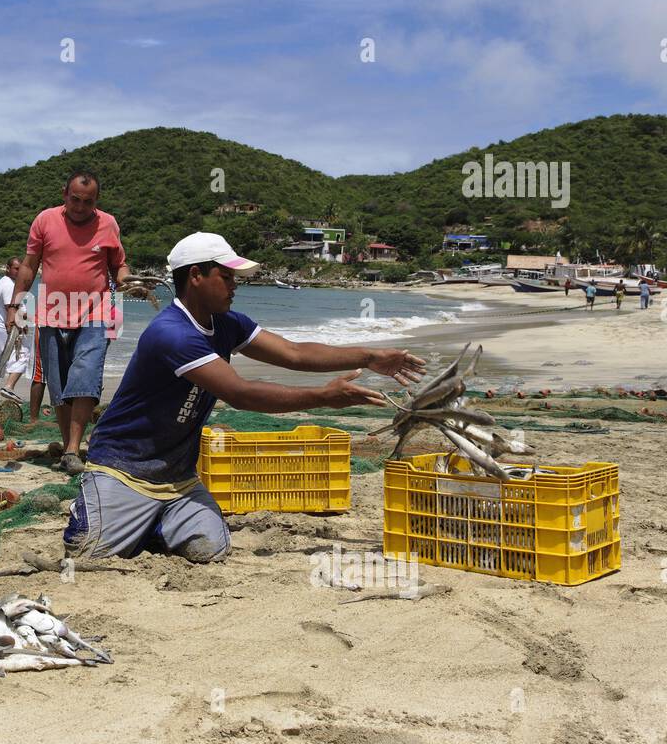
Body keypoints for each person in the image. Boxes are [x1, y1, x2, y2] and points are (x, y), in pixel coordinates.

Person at [63, 233, 426, 564]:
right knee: (86, 551)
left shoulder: (227, 323)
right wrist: (324, 397)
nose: (235, 285)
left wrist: (369, 357)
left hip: (178, 479)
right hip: (123, 468)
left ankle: (154, 524)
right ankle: (120, 512)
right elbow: (239, 393)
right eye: (227, 276)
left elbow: (294, 353)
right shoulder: (171, 333)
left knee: (211, 549)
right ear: (195, 277)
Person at [5, 170, 129, 473]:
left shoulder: (108, 224)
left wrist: (127, 282)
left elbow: (119, 266)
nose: (80, 206)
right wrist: (15, 305)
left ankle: (74, 447)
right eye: (75, 199)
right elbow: (30, 265)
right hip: (51, 314)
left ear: (96, 200)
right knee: (59, 387)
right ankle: (68, 447)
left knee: (84, 378)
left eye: (87, 201)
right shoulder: (44, 220)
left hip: (95, 314)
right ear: (65, 194)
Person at [0, 257, 28, 402]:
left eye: (21, 269)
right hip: (7, 328)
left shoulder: (3, 282)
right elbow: (9, 307)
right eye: (16, 268)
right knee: (23, 354)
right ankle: (9, 387)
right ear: (7, 268)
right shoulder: (9, 285)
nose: (19, 272)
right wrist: (23, 324)